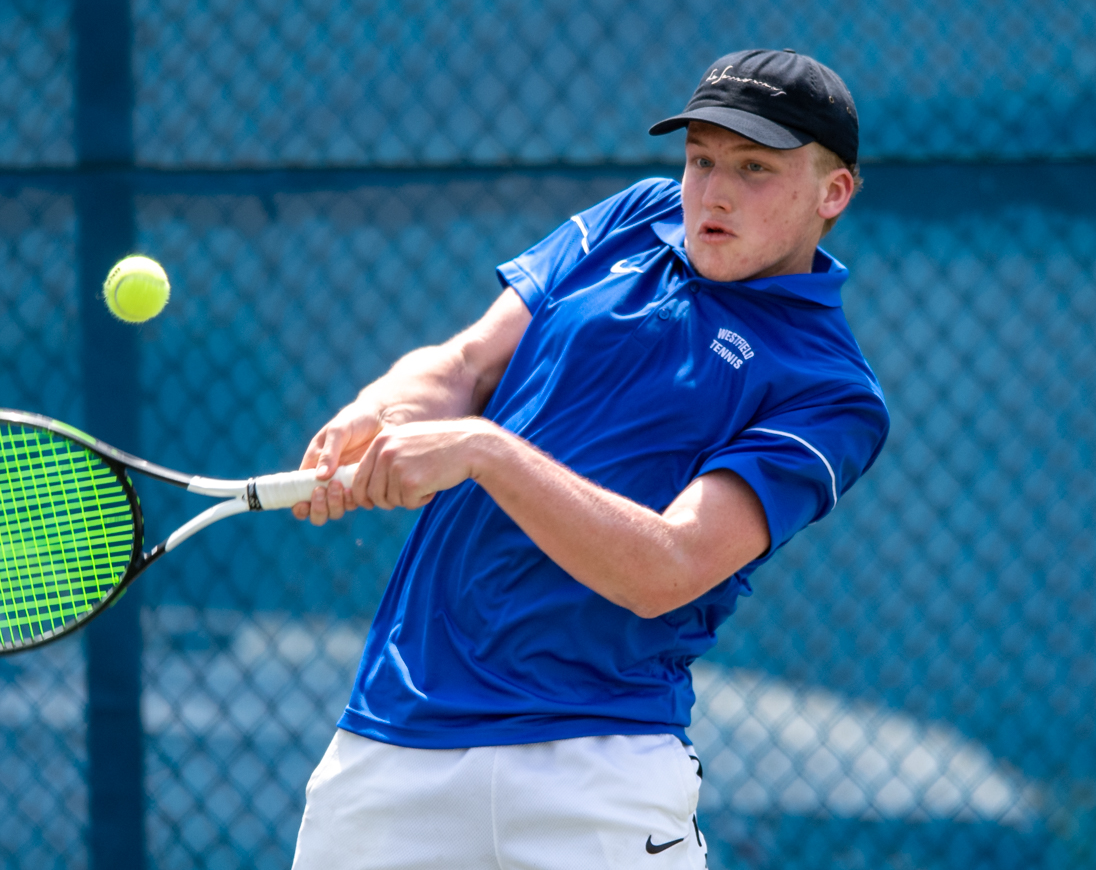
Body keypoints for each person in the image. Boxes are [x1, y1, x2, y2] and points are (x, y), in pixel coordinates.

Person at [288, 49, 889, 869]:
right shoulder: (636, 218)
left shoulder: (830, 391)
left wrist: (480, 449)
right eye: (701, 159)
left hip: (601, 768)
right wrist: (375, 413)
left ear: (834, 192)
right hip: (397, 736)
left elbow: (668, 567)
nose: (712, 192)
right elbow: (465, 365)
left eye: (754, 168)